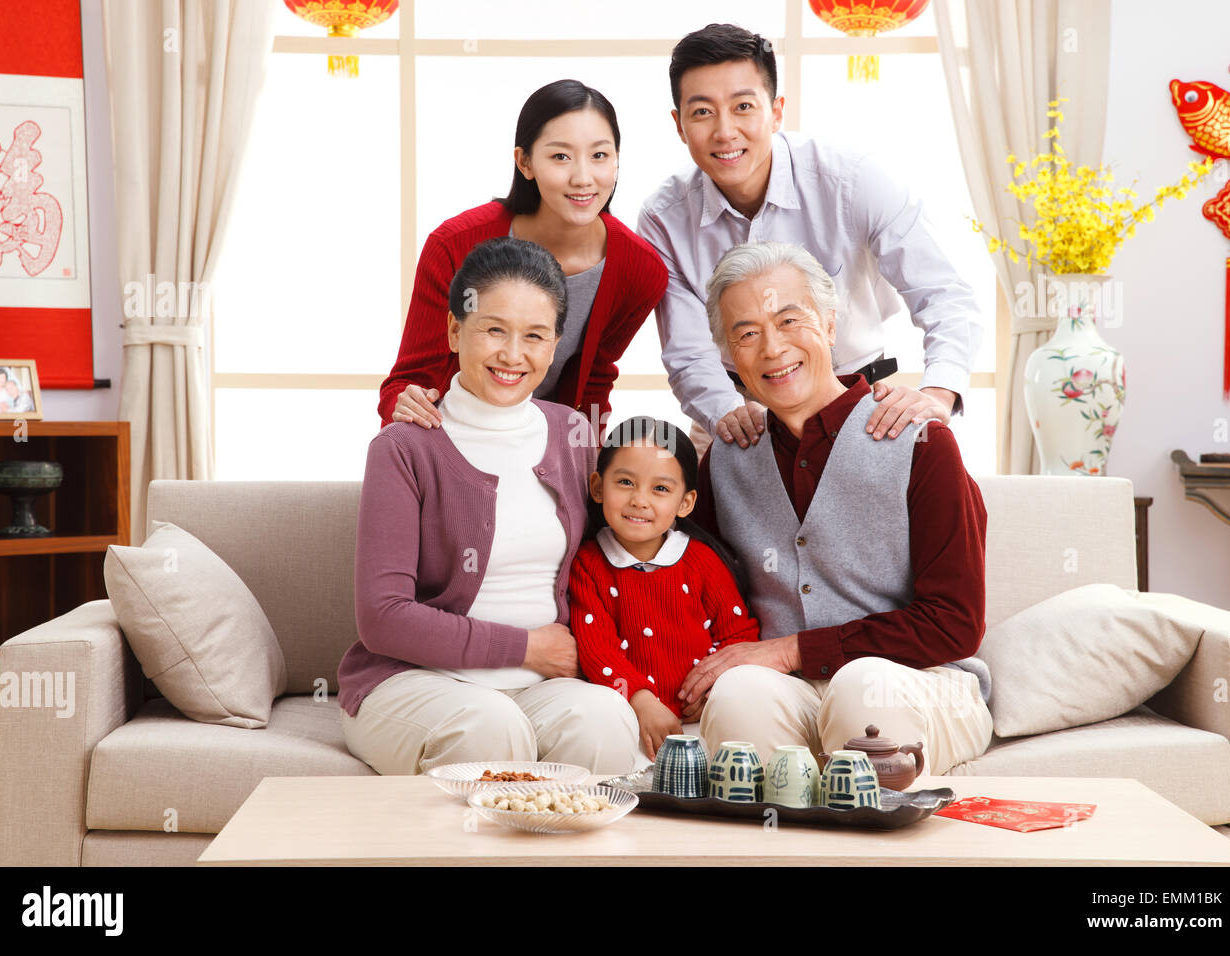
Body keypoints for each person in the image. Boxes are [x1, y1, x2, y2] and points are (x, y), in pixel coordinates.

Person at [684, 241, 993, 780]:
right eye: (747, 333)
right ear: (729, 358)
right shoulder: (729, 457)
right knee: (737, 696)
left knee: (859, 690)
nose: (773, 348)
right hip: (794, 693)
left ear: (829, 324)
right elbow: (696, 592)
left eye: (789, 320)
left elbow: (955, 624)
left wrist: (792, 650)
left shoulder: (919, 441)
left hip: (922, 684)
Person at [339, 237, 643, 775]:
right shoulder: (404, 446)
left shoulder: (571, 433)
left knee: (604, 720)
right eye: (494, 329)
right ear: (456, 330)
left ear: (553, 347)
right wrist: (525, 648)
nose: (512, 354)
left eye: (534, 336)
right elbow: (383, 620)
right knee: (488, 728)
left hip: (540, 686)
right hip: (417, 681)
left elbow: (610, 556)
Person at [638, 23, 984, 457]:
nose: (725, 132)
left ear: (777, 110)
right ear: (679, 124)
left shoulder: (852, 181)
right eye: (702, 112)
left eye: (743, 106)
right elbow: (688, 352)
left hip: (858, 402)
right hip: (737, 414)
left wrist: (938, 393)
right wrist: (731, 416)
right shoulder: (663, 218)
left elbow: (945, 296)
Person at [379, 79, 667, 434]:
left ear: (617, 161)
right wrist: (403, 405)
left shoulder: (642, 271)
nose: (583, 177)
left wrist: (586, 466)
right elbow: (408, 383)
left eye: (600, 155)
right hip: (451, 436)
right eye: (560, 156)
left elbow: (595, 381)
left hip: (542, 445)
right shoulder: (453, 245)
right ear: (525, 162)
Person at [569, 415, 759, 760]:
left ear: (685, 503)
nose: (640, 500)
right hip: (627, 719)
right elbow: (597, 648)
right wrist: (641, 702)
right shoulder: (588, 564)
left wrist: (712, 687)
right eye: (625, 482)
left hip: (705, 719)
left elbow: (738, 634)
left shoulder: (701, 561)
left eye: (660, 489)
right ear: (597, 486)